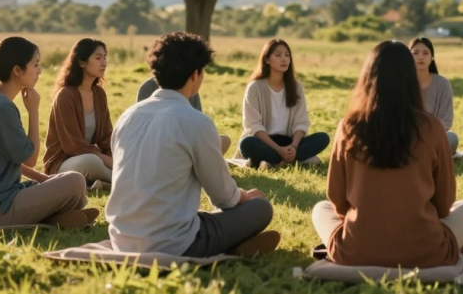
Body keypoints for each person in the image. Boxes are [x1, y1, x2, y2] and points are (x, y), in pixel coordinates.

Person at [106, 32, 278, 256]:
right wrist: (247, 196)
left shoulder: (127, 116)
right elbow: (225, 198)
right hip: (174, 243)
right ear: (195, 74)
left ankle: (233, 242)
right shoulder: (196, 122)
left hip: (122, 238)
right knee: (260, 207)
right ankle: (233, 245)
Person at [311, 41, 463, 267]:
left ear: (368, 77)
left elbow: (337, 200)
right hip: (426, 252)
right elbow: (444, 203)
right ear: (411, 78)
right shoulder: (433, 127)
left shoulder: (349, 126)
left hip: (354, 252)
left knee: (321, 209)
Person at [0, 36, 94, 228]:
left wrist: (45, 180)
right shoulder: (1, 108)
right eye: (36, 64)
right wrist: (33, 111)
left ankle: (56, 218)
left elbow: (12, 160)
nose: (40, 71)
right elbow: (29, 158)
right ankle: (54, 217)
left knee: (73, 190)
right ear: (17, 71)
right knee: (76, 182)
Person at [238, 39, 330, 169]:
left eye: (287, 55)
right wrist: (278, 149)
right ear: (267, 59)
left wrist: (293, 146)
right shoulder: (255, 87)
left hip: (289, 142)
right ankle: (290, 160)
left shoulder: (296, 87)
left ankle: (275, 162)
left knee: (323, 138)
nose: (284, 59)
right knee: (246, 144)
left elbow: (301, 123)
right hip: (264, 142)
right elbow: (253, 126)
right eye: (278, 55)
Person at [42, 38, 114, 190]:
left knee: (118, 159)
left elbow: (107, 137)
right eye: (98, 58)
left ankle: (104, 183)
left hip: (94, 158)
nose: (104, 62)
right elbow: (73, 146)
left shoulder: (99, 94)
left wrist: (115, 157)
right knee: (91, 162)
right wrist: (106, 160)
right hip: (63, 163)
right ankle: (124, 180)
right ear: (81, 62)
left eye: (105, 57)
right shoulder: (65, 95)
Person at [137, 75, 231, 155]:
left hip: (185, 145)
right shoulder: (148, 88)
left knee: (224, 141)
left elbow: (197, 132)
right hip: (161, 146)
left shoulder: (128, 116)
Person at [410, 37, 459, 154]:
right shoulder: (401, 83)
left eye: (425, 53)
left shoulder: (443, 84)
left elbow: (446, 121)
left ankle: (420, 154)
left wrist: (426, 133)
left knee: (451, 138)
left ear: (432, 57)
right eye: (415, 53)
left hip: (434, 136)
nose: (420, 57)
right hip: (408, 136)